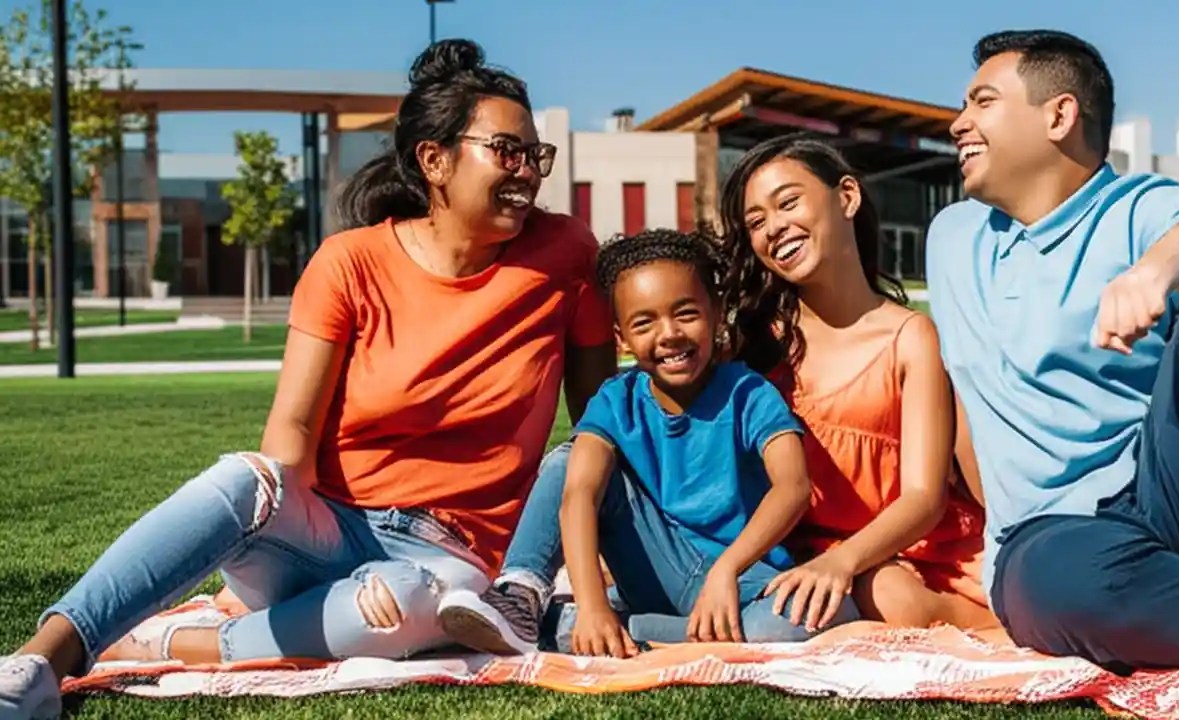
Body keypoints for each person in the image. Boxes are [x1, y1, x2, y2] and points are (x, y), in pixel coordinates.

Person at [0, 38, 615, 719]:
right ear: (433, 160)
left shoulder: (566, 253)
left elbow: (598, 420)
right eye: (507, 150)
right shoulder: (348, 262)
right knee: (245, 475)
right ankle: (41, 660)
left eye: (536, 155)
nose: (527, 171)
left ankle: (185, 641)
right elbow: (290, 435)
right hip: (323, 528)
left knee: (415, 604)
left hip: (452, 556)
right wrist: (264, 514)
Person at [926, 29, 1179, 673]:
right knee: (1056, 585)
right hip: (1056, 537)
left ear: (1059, 115)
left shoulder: (1141, 206)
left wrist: (1169, 259)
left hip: (1173, 494)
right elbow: (966, 406)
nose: (958, 124)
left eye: (982, 102)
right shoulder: (951, 237)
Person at [430, 229, 859, 657]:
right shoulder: (617, 401)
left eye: (686, 313)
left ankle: (582, 630)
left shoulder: (749, 393)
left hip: (740, 580)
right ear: (622, 339)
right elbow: (578, 495)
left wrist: (727, 569)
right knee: (567, 463)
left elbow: (793, 486)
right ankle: (520, 593)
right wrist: (593, 602)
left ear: (716, 312)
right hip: (652, 567)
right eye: (644, 322)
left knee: (806, 616)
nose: (669, 334)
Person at [717, 134, 995, 632]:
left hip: (912, 549)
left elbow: (923, 498)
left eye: (788, 203)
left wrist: (842, 562)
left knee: (888, 595)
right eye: (756, 222)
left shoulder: (910, 337)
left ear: (846, 196)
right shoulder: (756, 344)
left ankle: (987, 625)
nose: (774, 228)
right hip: (802, 548)